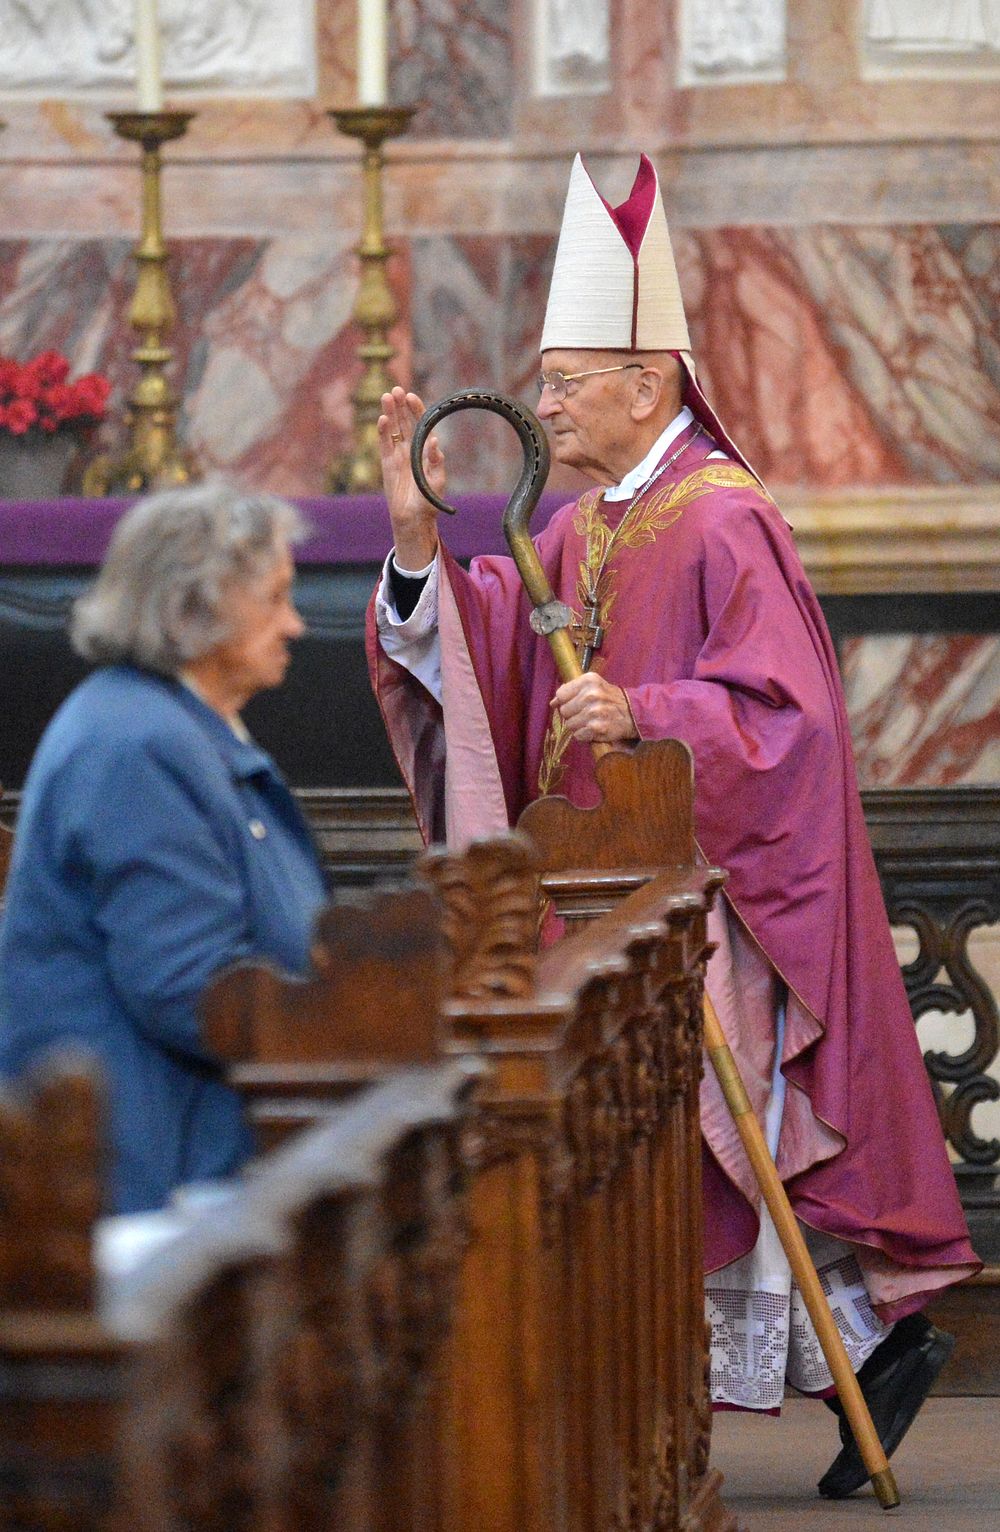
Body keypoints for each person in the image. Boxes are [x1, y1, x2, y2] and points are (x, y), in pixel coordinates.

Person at [367, 153, 980, 1497]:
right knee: (664, 1147)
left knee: (716, 1137)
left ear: (647, 385)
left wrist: (645, 711)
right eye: (542, 386)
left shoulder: (724, 521)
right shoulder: (584, 522)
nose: (544, 405)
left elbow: (791, 720)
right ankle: (867, 1350)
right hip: (602, 896)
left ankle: (873, 1343)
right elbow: (501, 660)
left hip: (714, 903)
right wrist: (421, 545)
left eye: (564, 383)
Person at [0, 486, 328, 1216]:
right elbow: (194, 992)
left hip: (196, 1149)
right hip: (148, 1178)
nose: (296, 624)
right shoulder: (139, 746)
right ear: (194, 607)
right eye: (274, 599)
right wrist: (353, 1022)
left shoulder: (175, 725)